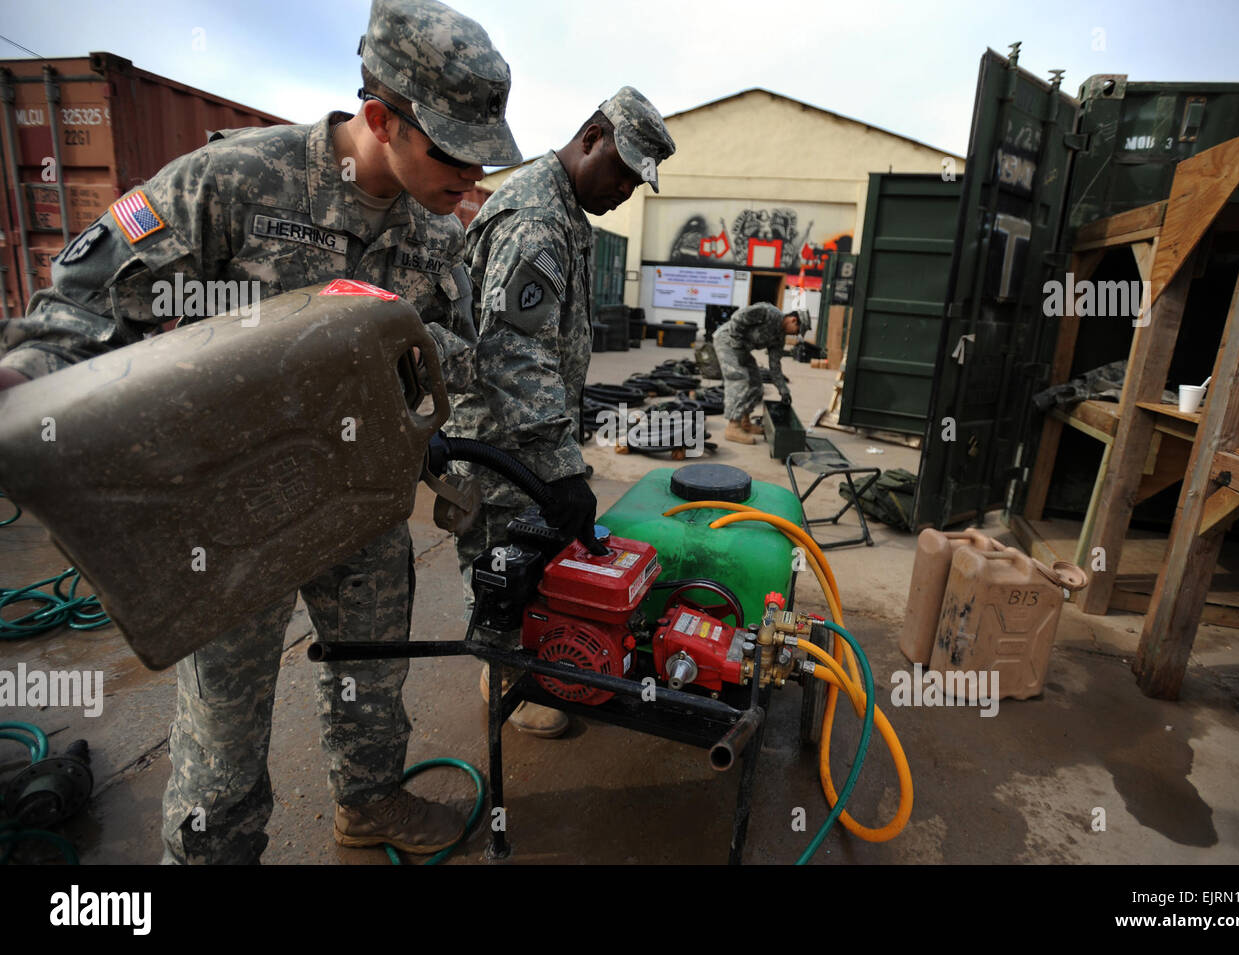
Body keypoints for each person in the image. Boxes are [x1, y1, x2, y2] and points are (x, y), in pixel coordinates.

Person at [0, 0, 521, 863]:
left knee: (371, 675)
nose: (470, 176)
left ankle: (367, 800)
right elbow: (84, 304)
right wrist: (25, 385)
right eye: (452, 150)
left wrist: (428, 362)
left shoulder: (438, 232)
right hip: (238, 515)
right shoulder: (238, 181)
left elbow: (453, 350)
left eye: (482, 155)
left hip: (361, 502)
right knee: (225, 719)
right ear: (381, 117)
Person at [449, 87, 675, 737]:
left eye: (637, 184)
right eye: (622, 173)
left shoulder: (567, 212)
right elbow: (512, 352)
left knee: (529, 558)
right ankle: (501, 680)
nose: (625, 192)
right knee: (500, 568)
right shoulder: (537, 217)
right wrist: (560, 462)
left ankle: (521, 664)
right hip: (493, 437)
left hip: (522, 434)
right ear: (591, 137)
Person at [713, 304, 808, 444]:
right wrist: (737, 344)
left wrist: (783, 390)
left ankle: (745, 422)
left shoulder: (779, 338)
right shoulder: (768, 312)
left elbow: (775, 366)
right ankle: (732, 426)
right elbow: (737, 318)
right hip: (727, 341)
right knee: (740, 379)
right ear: (793, 320)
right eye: (797, 331)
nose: (795, 334)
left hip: (741, 348)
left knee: (756, 384)